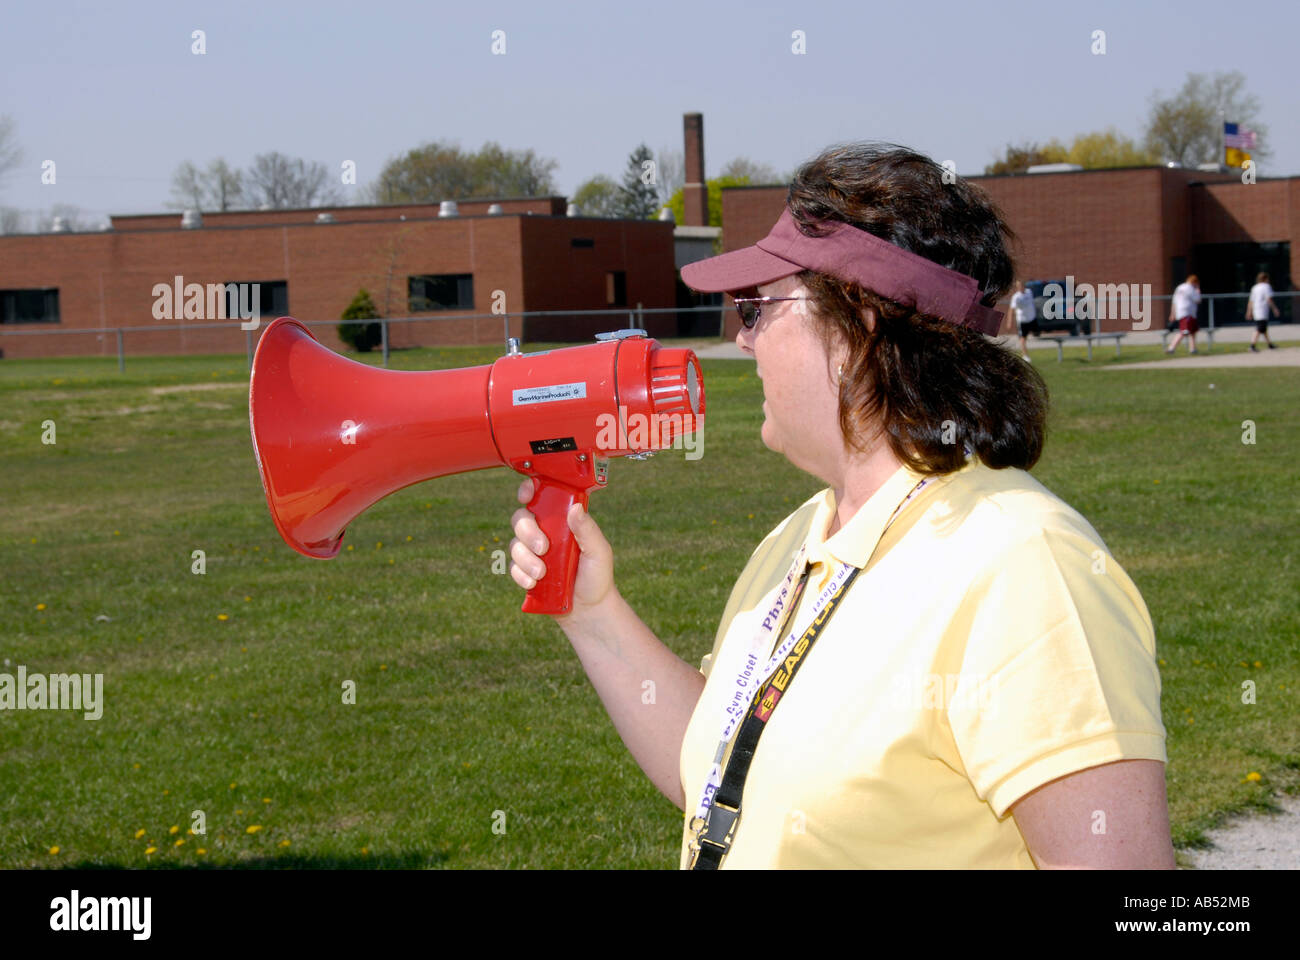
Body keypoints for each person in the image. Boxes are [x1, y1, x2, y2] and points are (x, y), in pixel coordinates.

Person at [507, 142, 1174, 870]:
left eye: (758, 308)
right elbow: (725, 778)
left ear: (858, 326)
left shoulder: (1023, 566)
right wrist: (592, 612)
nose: (742, 336)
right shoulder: (804, 535)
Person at [1166, 274, 1202, 355]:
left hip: (1182, 312)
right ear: (1195, 282)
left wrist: (1172, 314)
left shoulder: (1179, 287)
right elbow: (1197, 300)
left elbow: (1174, 301)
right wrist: (1198, 290)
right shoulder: (1190, 288)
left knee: (1192, 331)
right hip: (1188, 312)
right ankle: (1171, 348)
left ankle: (1193, 349)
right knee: (1184, 331)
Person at [1248, 271, 1279, 351]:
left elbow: (1251, 301)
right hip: (1262, 310)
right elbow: (1269, 299)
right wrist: (1275, 309)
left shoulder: (1254, 287)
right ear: (1265, 278)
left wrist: (1249, 311)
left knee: (1263, 328)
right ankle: (1252, 345)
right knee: (1259, 328)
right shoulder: (1266, 286)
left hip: (1256, 310)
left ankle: (1270, 344)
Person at [1010, 279, 1037, 361]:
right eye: (1018, 286)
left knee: (1036, 333)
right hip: (1022, 321)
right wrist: (1009, 321)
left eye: (1021, 286)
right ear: (1017, 287)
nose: (1020, 287)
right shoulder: (1016, 297)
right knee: (1022, 338)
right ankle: (1025, 355)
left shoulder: (1029, 292)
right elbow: (1011, 309)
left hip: (1032, 319)